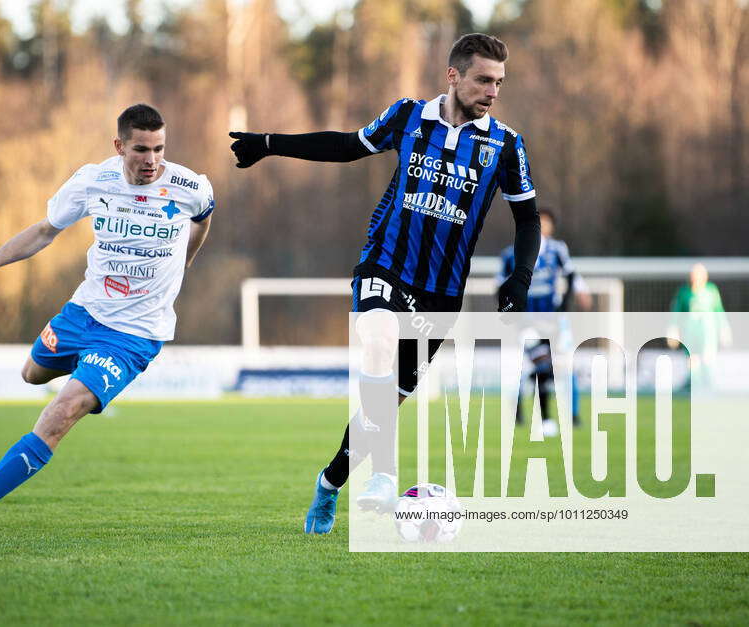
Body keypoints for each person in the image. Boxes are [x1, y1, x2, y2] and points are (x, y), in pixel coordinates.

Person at [230, 33, 541, 534]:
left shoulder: (506, 144)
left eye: (500, 82)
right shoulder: (408, 116)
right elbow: (346, 147)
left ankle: (329, 483)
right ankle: (386, 475)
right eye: (483, 79)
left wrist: (520, 277)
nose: (493, 91)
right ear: (453, 75)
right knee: (378, 340)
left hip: (441, 295)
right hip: (385, 265)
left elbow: (527, 220)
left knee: (380, 410)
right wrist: (270, 144)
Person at [0, 104, 214, 527]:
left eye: (159, 149)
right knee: (31, 374)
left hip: (132, 336)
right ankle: (78, 365)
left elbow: (204, 216)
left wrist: (187, 260)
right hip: (83, 313)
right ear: (119, 145)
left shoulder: (187, 186)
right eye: (141, 149)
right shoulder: (93, 180)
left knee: (61, 411)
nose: (152, 160)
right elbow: (44, 231)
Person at [498, 207, 590, 435]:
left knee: (559, 366)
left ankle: (571, 414)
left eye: (546, 223)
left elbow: (571, 277)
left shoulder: (558, 250)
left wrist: (565, 307)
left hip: (552, 321)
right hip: (527, 321)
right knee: (539, 364)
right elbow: (501, 286)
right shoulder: (512, 253)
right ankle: (537, 416)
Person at [667, 263, 731, 388]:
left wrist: (724, 328)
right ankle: (693, 384)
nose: (695, 278)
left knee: (708, 358)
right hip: (690, 331)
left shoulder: (711, 290)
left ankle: (708, 385)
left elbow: (718, 310)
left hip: (708, 331)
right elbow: (676, 312)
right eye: (693, 275)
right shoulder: (684, 291)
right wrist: (673, 329)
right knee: (692, 359)